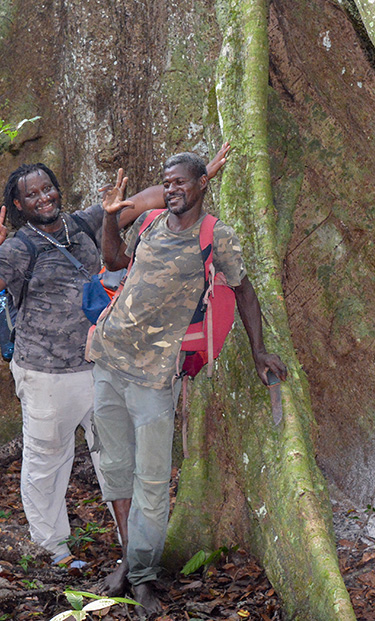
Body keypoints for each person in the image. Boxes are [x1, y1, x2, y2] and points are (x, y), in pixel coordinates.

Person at [0, 150, 228, 566]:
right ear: (18, 205)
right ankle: (52, 549)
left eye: (47, 188)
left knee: (114, 457)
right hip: (46, 374)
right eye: (31, 195)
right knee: (48, 462)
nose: (43, 198)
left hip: (102, 365)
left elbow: (139, 201)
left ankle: (133, 550)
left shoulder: (82, 224)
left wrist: (194, 180)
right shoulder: (18, 248)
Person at [90, 152, 287, 614]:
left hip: (154, 376)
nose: (172, 188)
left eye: (181, 182)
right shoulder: (153, 222)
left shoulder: (215, 235)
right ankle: (128, 561)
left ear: (202, 183)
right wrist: (110, 217)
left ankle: (141, 577)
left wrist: (259, 351)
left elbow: (244, 291)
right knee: (116, 470)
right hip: (107, 359)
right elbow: (114, 258)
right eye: (167, 183)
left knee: (153, 483)